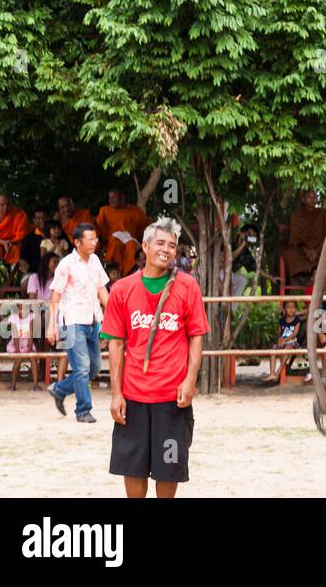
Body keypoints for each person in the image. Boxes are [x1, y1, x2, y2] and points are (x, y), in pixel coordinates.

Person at [101, 217, 208, 498]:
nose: (167, 249)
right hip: (134, 395)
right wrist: (116, 393)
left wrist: (190, 379)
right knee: (133, 466)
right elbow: (115, 344)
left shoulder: (187, 287)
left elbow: (197, 335)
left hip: (172, 398)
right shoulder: (122, 290)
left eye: (172, 245)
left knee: (168, 467)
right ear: (145, 247)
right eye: (160, 243)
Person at [46, 223, 110, 423]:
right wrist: (52, 325)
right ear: (77, 242)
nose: (94, 243)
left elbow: (101, 289)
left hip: (93, 319)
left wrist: (110, 315)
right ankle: (83, 410)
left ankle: (59, 389)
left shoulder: (95, 261)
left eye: (95, 239)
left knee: (94, 367)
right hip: (72, 321)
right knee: (82, 367)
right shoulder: (66, 264)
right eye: (90, 239)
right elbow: (55, 296)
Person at [280, 189, 326, 287]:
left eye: (314, 197)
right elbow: (294, 238)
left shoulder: (322, 214)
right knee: (289, 254)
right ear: (303, 199)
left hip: (319, 249)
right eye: (309, 198)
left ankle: (311, 276)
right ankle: (304, 278)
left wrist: (317, 250)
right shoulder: (297, 216)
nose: (312, 200)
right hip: (301, 250)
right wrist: (306, 250)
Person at [95, 188, 150, 276]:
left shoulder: (136, 211)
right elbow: (98, 227)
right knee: (115, 244)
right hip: (113, 243)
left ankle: (128, 273)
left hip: (131, 241)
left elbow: (147, 228)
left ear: (122, 198)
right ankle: (113, 270)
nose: (110, 201)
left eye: (114, 198)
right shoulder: (104, 211)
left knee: (132, 245)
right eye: (110, 198)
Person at [263, 301, 303, 383]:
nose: (291, 309)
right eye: (288, 307)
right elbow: (280, 333)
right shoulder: (281, 320)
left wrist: (285, 340)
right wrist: (280, 340)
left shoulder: (297, 320)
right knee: (273, 350)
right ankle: (272, 373)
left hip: (293, 341)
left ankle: (277, 374)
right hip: (283, 341)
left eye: (293, 307)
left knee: (287, 349)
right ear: (284, 309)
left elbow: (294, 334)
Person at [6, 301, 40, 391]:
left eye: (25, 309)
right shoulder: (13, 318)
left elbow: (31, 333)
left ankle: (36, 385)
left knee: (33, 359)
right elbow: (15, 335)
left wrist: (29, 347)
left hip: (27, 342)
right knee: (18, 359)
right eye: (21, 309)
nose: (23, 311)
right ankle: (13, 385)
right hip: (16, 343)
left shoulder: (30, 317)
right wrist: (17, 349)